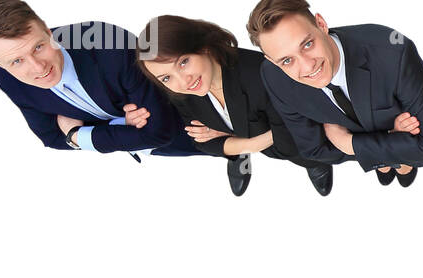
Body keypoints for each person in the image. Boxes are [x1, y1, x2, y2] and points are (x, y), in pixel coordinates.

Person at [246, 0, 423, 208]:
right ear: (271, 60)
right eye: (286, 60)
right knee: (393, 164)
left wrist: (351, 144)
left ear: (321, 24)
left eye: (308, 44)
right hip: (403, 139)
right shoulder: (274, 76)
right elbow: (315, 150)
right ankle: (392, 166)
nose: (307, 66)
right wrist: (383, 148)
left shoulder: (391, 51)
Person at [0, 0, 199, 160]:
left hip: (194, 107)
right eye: (17, 61)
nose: (38, 67)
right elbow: (51, 137)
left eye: (39, 47)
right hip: (159, 146)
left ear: (47, 31)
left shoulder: (108, 44)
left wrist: (75, 135)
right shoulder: (5, 77)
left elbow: (159, 131)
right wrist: (121, 125)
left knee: (230, 142)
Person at [136, 15, 334, 197]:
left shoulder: (261, 76)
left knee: (304, 151)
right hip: (261, 133)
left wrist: (233, 138)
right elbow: (203, 142)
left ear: (203, 47)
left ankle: (315, 163)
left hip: (294, 142)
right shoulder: (182, 92)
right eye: (166, 77)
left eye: (183, 62)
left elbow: (287, 141)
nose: (182, 81)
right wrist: (250, 142)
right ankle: (237, 154)